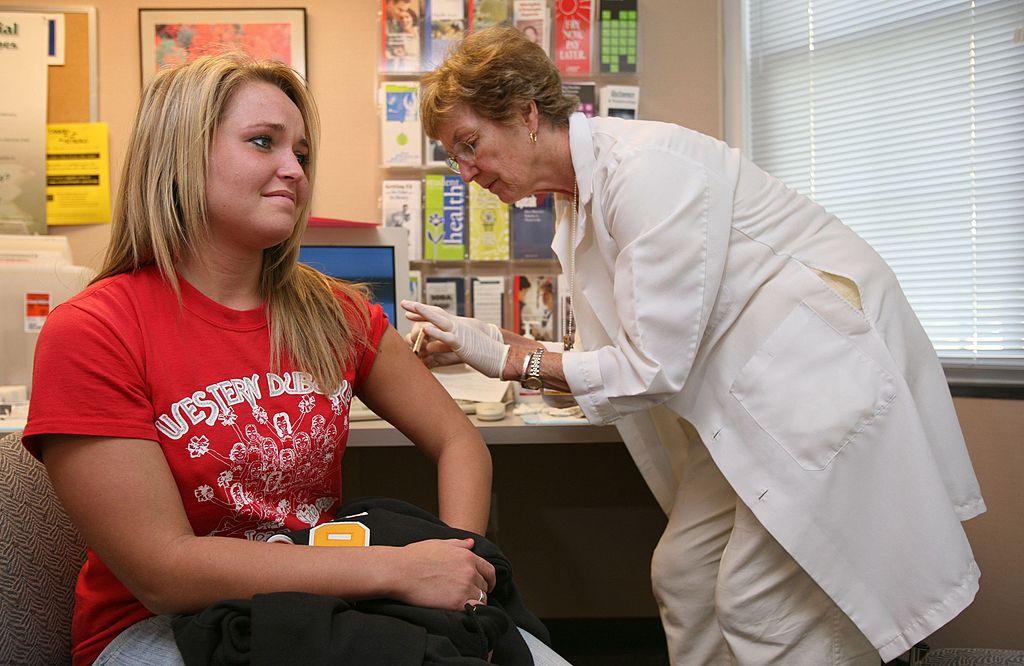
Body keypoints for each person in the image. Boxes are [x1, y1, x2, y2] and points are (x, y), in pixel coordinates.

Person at [402, 25, 987, 665]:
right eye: (454, 156)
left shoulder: (646, 173)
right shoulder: (577, 206)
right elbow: (622, 344)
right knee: (683, 573)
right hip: (745, 399)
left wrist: (511, 358)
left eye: (469, 144)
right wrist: (483, 341)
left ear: (525, 113)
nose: (465, 172)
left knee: (755, 603)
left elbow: (650, 367)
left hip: (808, 385)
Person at [22, 52, 565, 666]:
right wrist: (394, 570)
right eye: (263, 143)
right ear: (178, 155)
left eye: (301, 154)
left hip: (318, 606)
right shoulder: (94, 331)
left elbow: (458, 441)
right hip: (161, 626)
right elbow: (164, 572)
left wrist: (456, 567)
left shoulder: (333, 312)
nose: (294, 171)